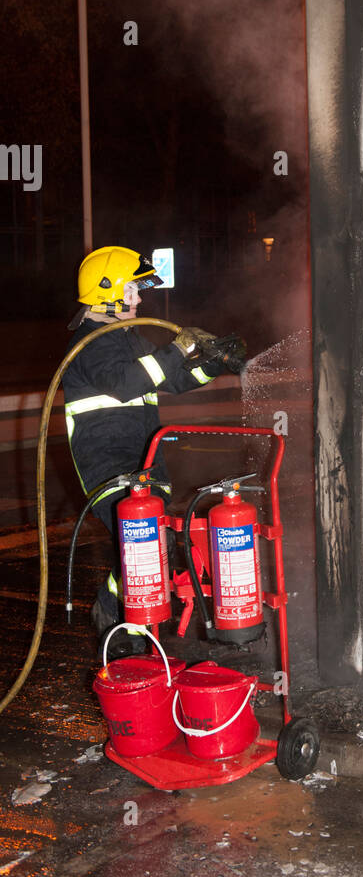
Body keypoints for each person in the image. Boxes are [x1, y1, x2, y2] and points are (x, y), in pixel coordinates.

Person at [63, 246, 236, 654]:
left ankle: (120, 614)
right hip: (108, 465)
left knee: (146, 544)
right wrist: (176, 349)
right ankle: (124, 632)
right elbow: (127, 383)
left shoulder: (126, 339)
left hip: (144, 461)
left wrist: (211, 364)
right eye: (133, 290)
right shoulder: (92, 344)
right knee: (139, 543)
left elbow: (168, 380)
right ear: (106, 292)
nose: (139, 300)